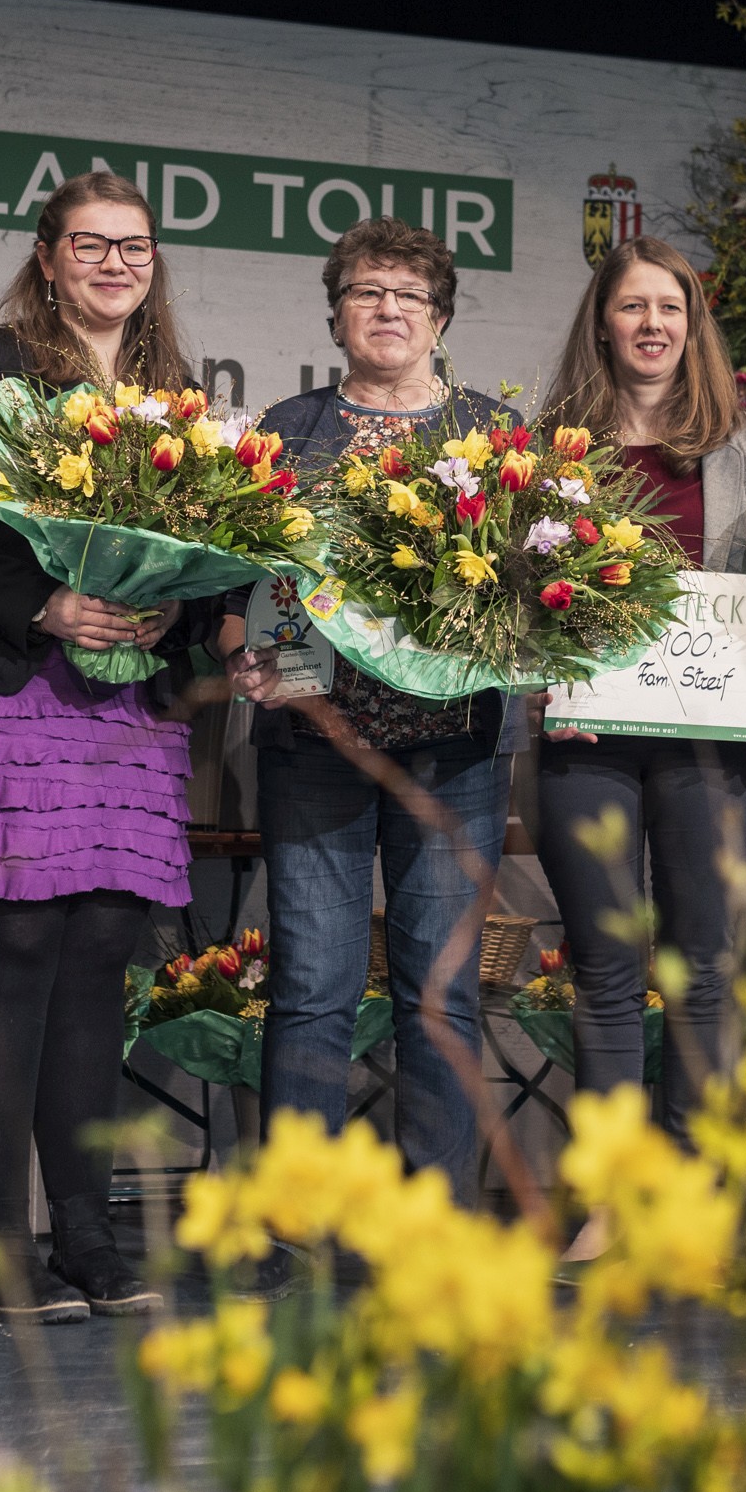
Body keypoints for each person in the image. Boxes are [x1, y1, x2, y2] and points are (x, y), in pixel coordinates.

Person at [0, 171, 194, 1323]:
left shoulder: (175, 396)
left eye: (136, 247)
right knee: (11, 953)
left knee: (101, 957)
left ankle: (91, 1239)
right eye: (91, 244)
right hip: (17, 688)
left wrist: (182, 609)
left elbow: (209, 549)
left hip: (130, 705)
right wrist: (47, 606)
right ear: (50, 257)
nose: (116, 263)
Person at [230, 218, 520, 1212]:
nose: (387, 308)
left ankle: (432, 1224)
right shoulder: (290, 427)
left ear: (439, 316)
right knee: (311, 987)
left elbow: (527, 589)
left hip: (456, 751)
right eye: (367, 291)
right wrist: (251, 649)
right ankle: (292, 1219)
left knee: (438, 996)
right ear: (337, 312)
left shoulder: (491, 437)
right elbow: (257, 581)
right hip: (315, 743)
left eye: (408, 293)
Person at [529, 237, 746, 1258]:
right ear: (603, 320)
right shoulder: (552, 440)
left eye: (671, 309)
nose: (652, 324)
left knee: (706, 969)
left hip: (716, 741)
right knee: (604, 964)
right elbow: (516, 589)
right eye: (634, 306)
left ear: (694, 328)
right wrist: (551, 677)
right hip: (589, 736)